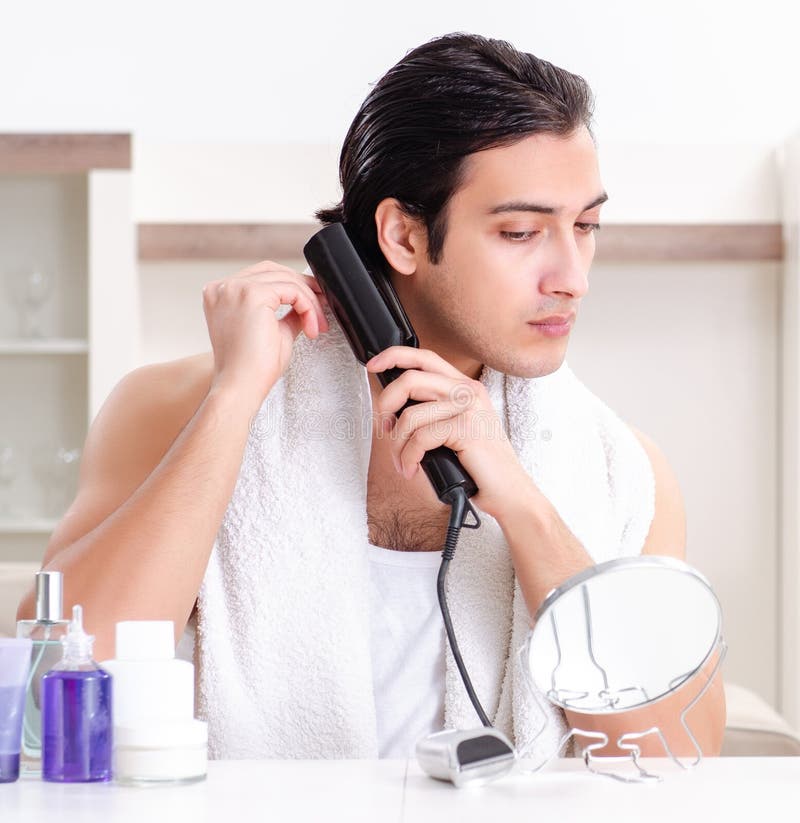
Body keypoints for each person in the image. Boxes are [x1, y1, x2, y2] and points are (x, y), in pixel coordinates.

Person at [17, 32, 725, 759]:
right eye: (521, 231)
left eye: (586, 227)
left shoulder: (620, 469)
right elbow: (48, 702)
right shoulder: (177, 407)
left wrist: (522, 500)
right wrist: (233, 403)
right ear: (402, 235)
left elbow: (679, 759)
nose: (571, 274)